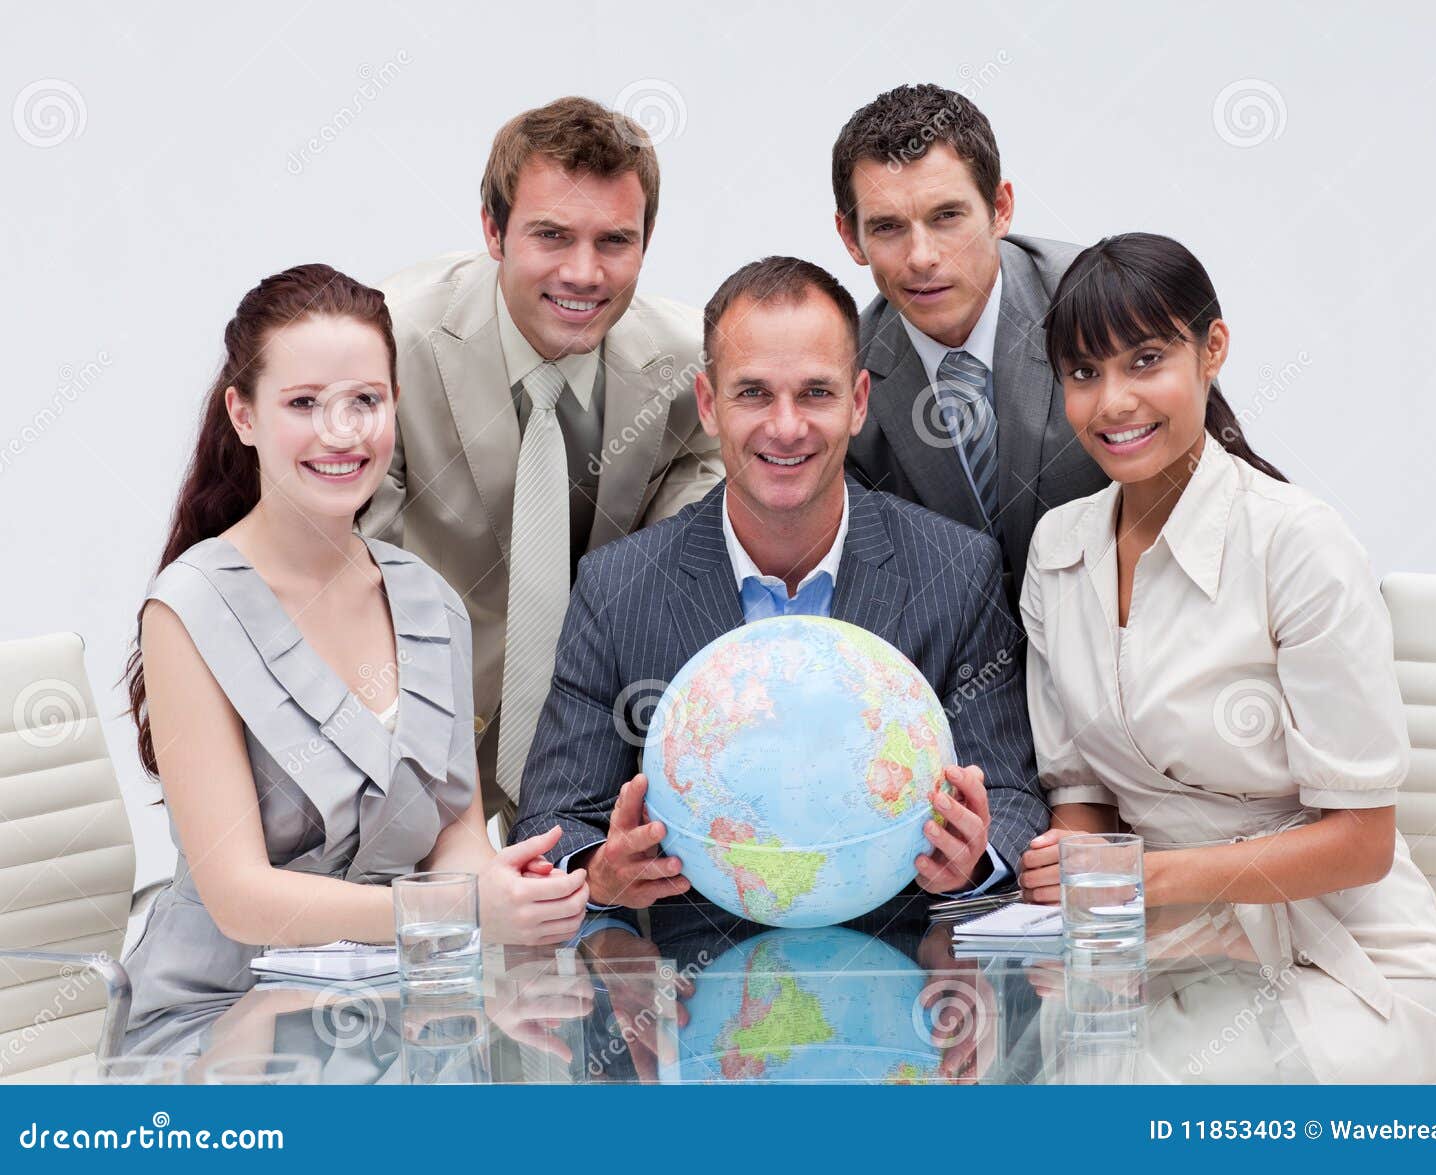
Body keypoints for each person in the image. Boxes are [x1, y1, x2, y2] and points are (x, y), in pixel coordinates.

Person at [1016, 233, 1436, 1082]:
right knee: (1026, 1075)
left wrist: (1142, 879)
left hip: (1350, 967)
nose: (1113, 401)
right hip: (1166, 947)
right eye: (1083, 372)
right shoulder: (1057, 550)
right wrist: (1073, 878)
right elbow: (1082, 799)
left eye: (1145, 360)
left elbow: (1362, 843)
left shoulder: (1297, 544)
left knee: (1156, 1105)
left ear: (1212, 349)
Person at [120, 265, 589, 1057]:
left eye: (365, 401)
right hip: (221, 1022)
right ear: (243, 415)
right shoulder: (190, 608)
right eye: (304, 403)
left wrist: (501, 887)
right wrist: (459, 910)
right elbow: (240, 898)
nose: (341, 433)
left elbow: (456, 833)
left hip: (395, 1005)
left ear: (394, 408)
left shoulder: (430, 601)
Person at [511, 256, 1049, 944]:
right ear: (709, 405)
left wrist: (976, 859)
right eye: (754, 394)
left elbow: (1011, 796)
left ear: (859, 401)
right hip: (693, 977)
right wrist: (600, 872)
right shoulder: (618, 587)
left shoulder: (956, 569)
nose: (786, 426)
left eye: (816, 392)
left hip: (907, 968)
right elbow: (552, 822)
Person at [362, 97, 722, 831]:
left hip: (601, 754)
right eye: (551, 235)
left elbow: (679, 586)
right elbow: (347, 576)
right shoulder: (391, 343)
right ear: (493, 231)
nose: (583, 273)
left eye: (614, 240)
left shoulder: (696, 370)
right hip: (407, 722)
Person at [833, 84, 1108, 601]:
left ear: (1000, 208)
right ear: (852, 238)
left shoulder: (1101, 303)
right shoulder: (841, 380)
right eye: (888, 227)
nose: (922, 257)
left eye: (946, 217)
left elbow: (1204, 498)